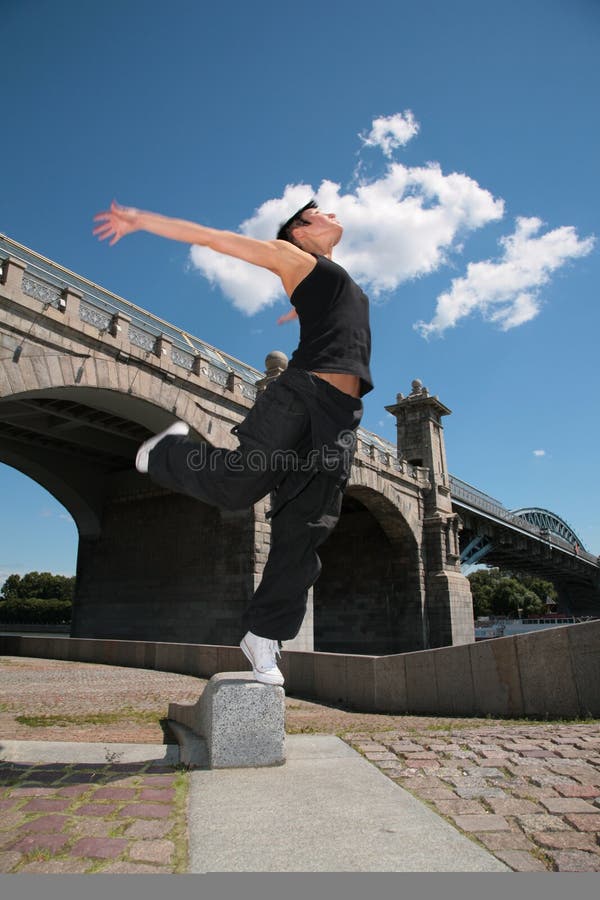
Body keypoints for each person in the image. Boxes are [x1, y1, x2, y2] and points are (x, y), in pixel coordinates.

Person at [93, 199, 373, 686]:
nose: (332, 213)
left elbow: (335, 318)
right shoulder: (295, 258)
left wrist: (296, 311)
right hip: (302, 395)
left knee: (308, 528)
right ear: (300, 231)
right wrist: (141, 219)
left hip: (340, 415)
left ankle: (263, 634)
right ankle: (163, 453)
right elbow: (212, 237)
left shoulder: (328, 274)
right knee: (239, 487)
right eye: (320, 212)